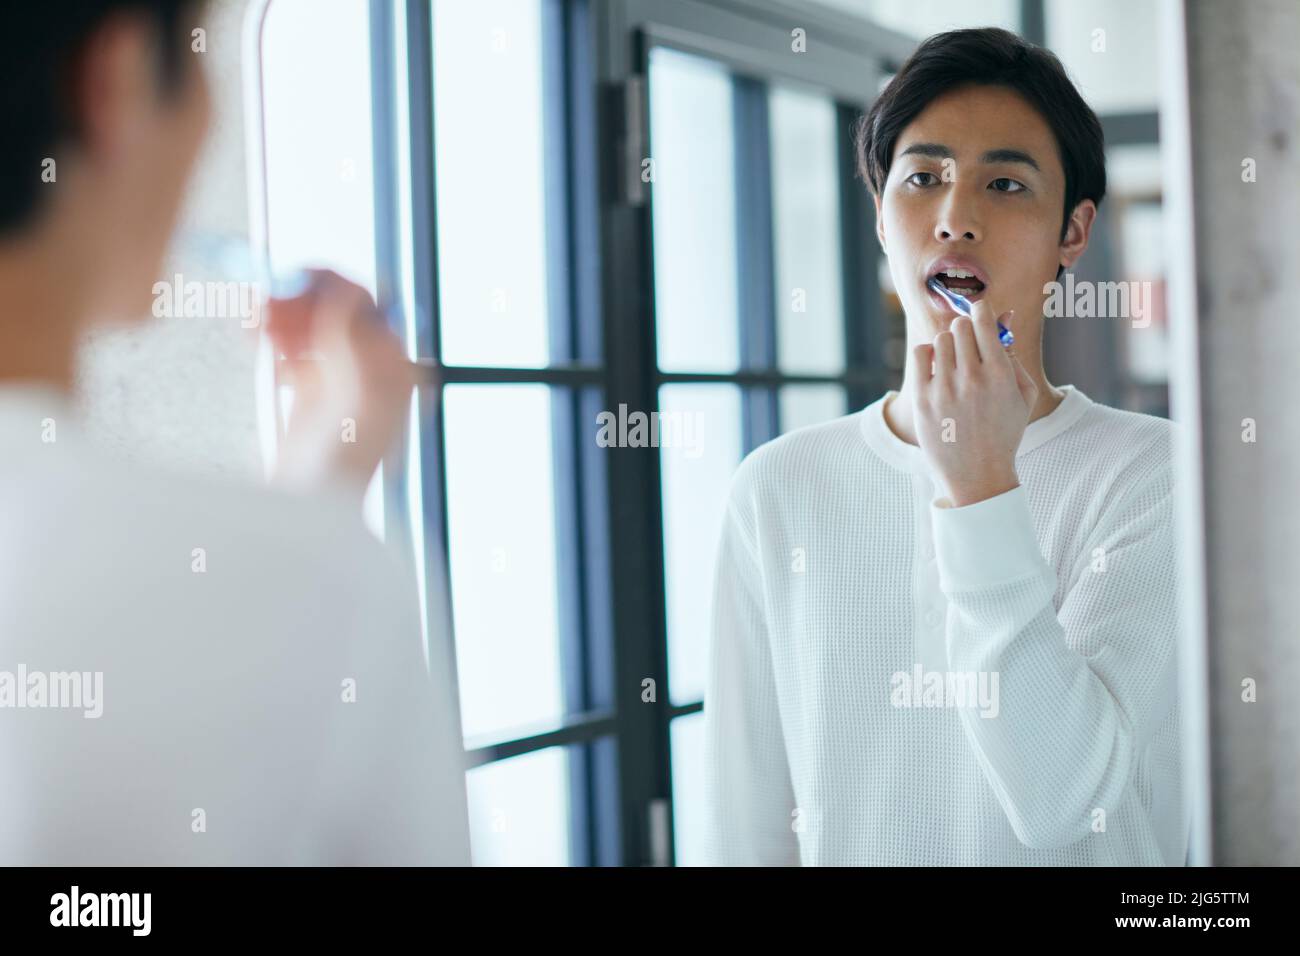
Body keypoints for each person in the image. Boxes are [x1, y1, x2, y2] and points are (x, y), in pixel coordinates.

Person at [0, 1, 469, 864]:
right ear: (120, 75)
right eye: (206, 55)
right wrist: (316, 536)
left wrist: (319, 484)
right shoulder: (313, 588)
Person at [703, 28, 1186, 865]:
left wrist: (982, 488)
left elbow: (1065, 806)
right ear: (881, 219)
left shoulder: (1161, 478)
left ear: (1073, 234)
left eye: (1004, 183)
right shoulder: (779, 487)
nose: (956, 217)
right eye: (923, 179)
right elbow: (744, 820)